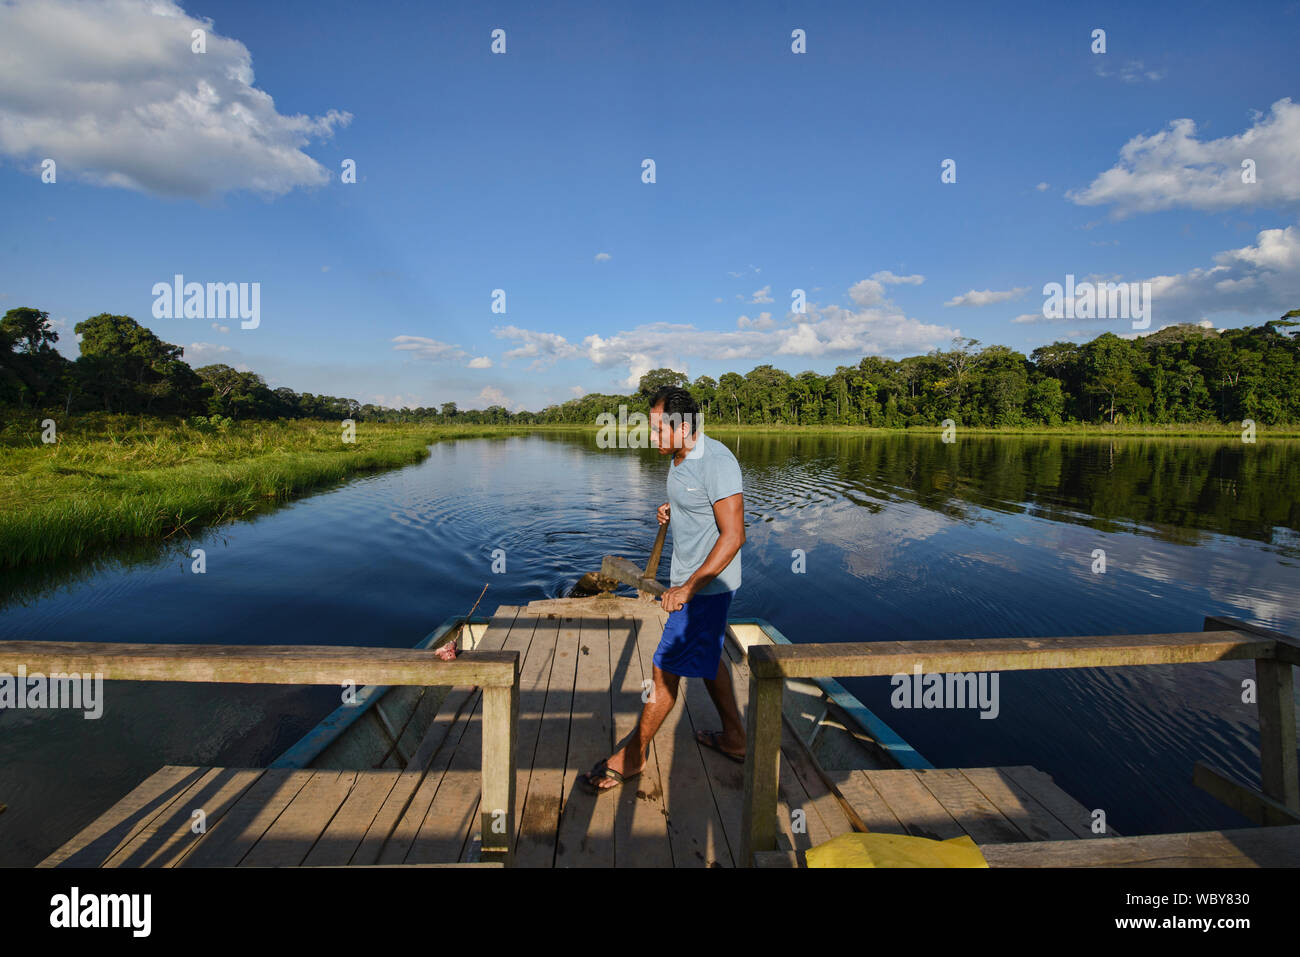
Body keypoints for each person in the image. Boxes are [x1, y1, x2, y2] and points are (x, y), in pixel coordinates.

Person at [580, 386, 747, 793]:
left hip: (706, 589)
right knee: (709, 663)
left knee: (664, 669)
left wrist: (689, 587)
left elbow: (734, 535)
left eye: (658, 430)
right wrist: (673, 510)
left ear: (684, 426)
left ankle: (633, 756)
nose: (651, 437)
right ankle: (736, 738)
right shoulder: (679, 457)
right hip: (692, 584)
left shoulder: (718, 463)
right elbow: (697, 501)